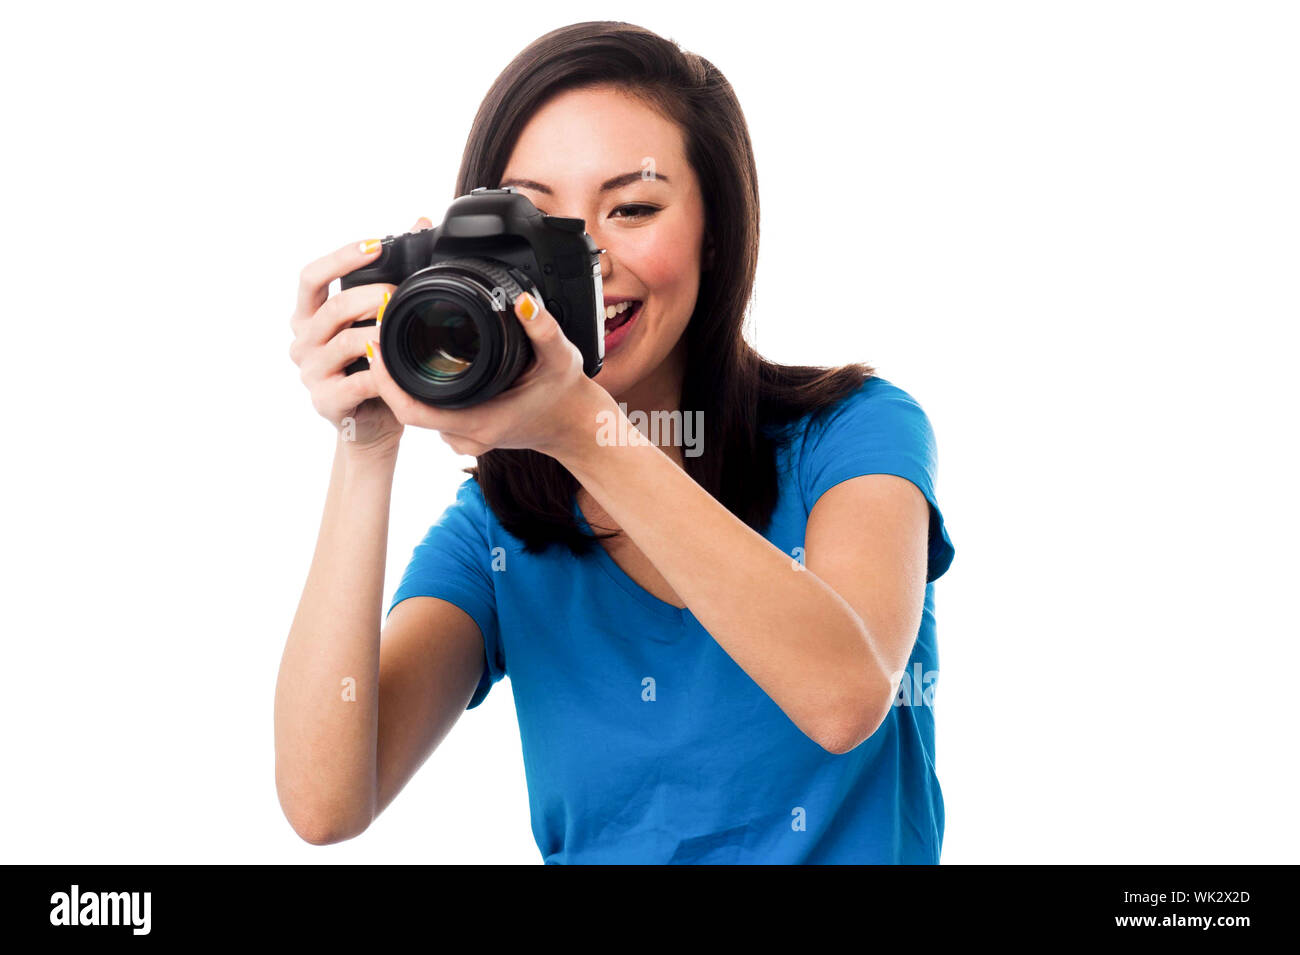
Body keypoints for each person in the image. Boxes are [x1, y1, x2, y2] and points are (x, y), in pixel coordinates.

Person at [276, 20, 956, 864]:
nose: (587, 260)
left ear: (716, 230)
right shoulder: (498, 528)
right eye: (532, 217)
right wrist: (365, 443)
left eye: (632, 208)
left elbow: (845, 695)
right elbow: (326, 801)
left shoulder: (853, 432)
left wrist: (587, 433)